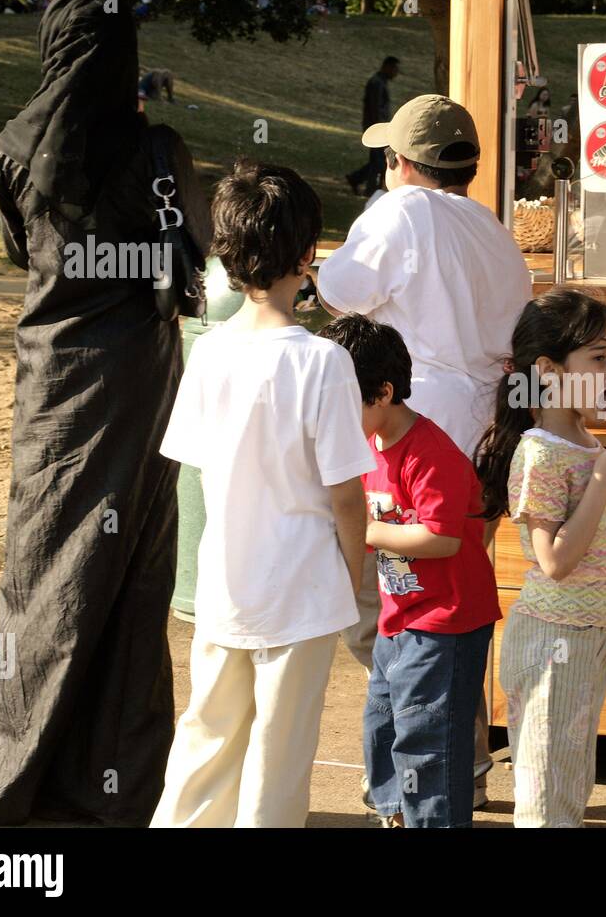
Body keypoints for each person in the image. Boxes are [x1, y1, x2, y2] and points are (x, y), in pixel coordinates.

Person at [0, 0, 210, 826]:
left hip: (54, 384)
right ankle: (114, 784)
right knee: (133, 574)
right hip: (139, 381)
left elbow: (19, 247)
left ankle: (17, 777)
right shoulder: (158, 150)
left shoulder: (15, 145)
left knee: (43, 574)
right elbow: (193, 251)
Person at [316, 93, 532, 808]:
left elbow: (339, 291)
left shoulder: (401, 211)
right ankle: (457, 766)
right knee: (452, 608)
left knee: (395, 615)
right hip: (483, 435)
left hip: (415, 439)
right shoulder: (491, 227)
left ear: (400, 161)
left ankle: (417, 775)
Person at [149, 162, 372, 828]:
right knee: (279, 755)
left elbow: (194, 470)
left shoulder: (209, 351)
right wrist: (351, 576)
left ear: (227, 253)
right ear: (308, 257)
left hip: (225, 583)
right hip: (302, 588)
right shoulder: (324, 360)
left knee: (206, 740)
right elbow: (346, 493)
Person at [474, 289, 606, 827]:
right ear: (548, 369)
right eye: (599, 356)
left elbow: (586, 537)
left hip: (589, 632)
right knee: (547, 791)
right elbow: (554, 561)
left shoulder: (586, 440)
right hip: (554, 639)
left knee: (570, 777)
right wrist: (603, 480)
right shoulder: (542, 451)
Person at [320, 313, 501, 828]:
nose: (333, 418)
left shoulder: (429, 452)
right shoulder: (367, 445)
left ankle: (431, 819)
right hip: (399, 619)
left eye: (343, 404)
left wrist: (364, 530)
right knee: (383, 727)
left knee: (428, 740)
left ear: (383, 392)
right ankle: (397, 813)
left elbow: (441, 539)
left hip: (446, 622)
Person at [347, 55, 399, 195]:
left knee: (377, 159)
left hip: (377, 127)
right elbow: (375, 108)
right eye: (394, 69)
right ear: (387, 67)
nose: (396, 73)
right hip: (376, 128)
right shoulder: (377, 83)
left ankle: (356, 179)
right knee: (378, 161)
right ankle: (370, 189)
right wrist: (380, 129)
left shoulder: (380, 82)